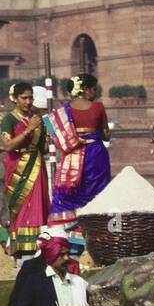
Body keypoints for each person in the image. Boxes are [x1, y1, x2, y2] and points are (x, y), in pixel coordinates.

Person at [48, 74, 112, 227]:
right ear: (85, 89)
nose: (95, 93)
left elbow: (52, 131)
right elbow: (106, 135)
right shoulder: (98, 107)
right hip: (95, 155)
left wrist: (74, 138)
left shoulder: (61, 112)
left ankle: (67, 230)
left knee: (70, 192)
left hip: (71, 157)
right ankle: (97, 228)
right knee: (97, 192)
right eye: (93, 89)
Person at [1, 82, 51, 256]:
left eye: (30, 98)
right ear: (15, 99)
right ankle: (20, 246)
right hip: (17, 167)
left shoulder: (37, 119)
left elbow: (44, 147)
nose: (28, 102)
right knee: (20, 206)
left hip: (37, 166)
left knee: (38, 204)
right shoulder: (9, 119)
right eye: (24, 98)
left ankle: (39, 243)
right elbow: (7, 145)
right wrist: (29, 129)